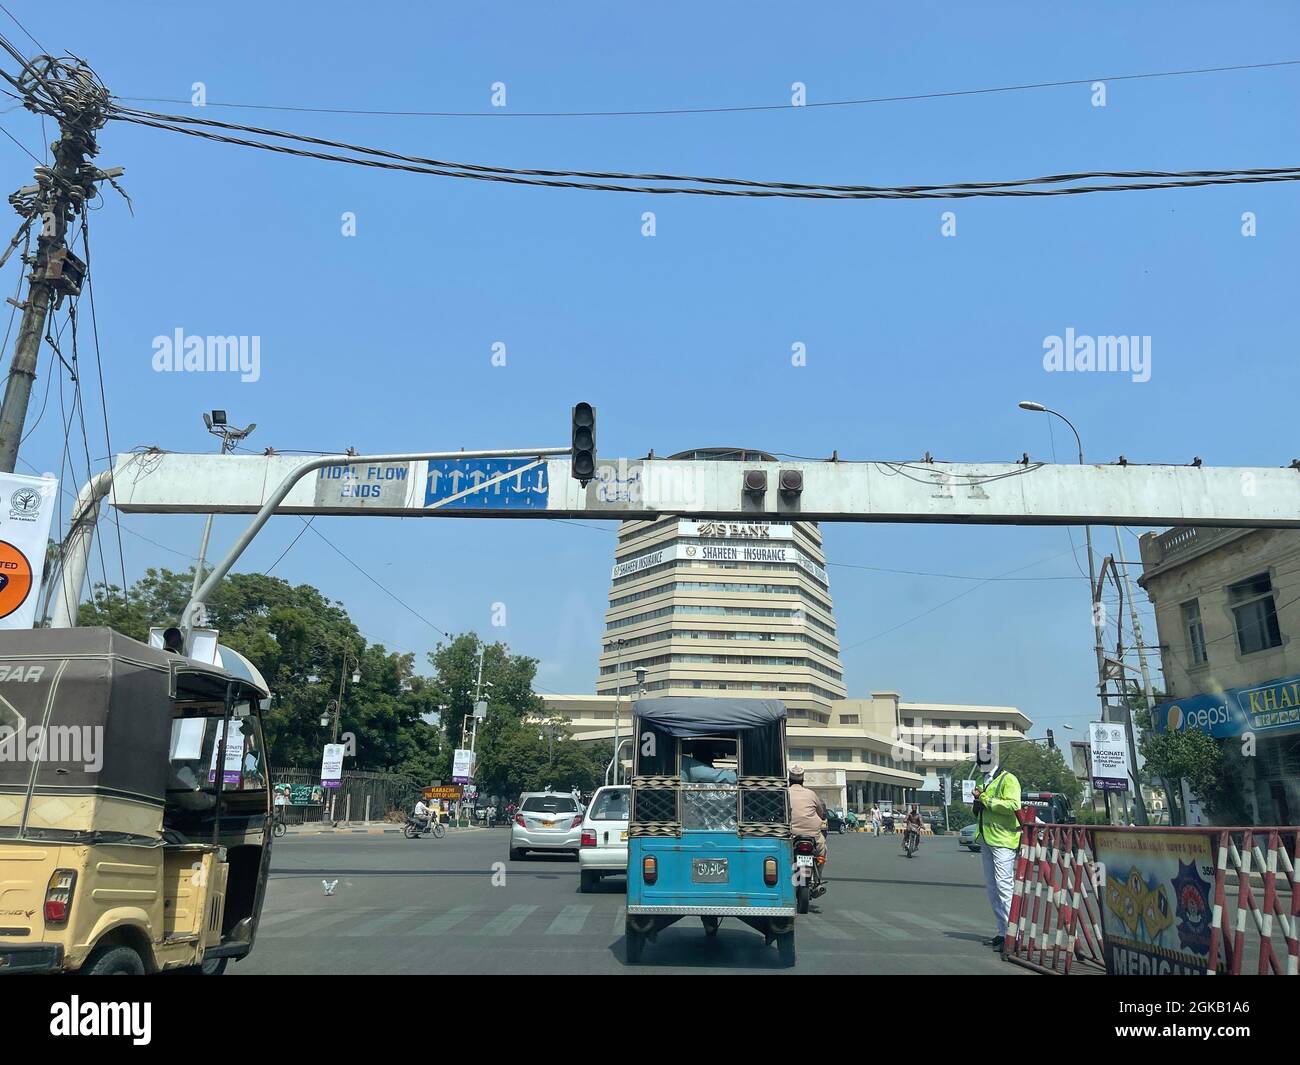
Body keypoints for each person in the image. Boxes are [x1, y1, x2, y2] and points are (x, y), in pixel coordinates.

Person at [971, 740, 1022, 951]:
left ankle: (1014, 935)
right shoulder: (981, 780)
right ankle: (1002, 932)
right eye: (980, 755)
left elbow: (1013, 805)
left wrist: (985, 799)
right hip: (986, 838)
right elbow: (978, 809)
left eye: (986, 755)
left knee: (1004, 887)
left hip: (1004, 840)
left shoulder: (1008, 779)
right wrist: (978, 800)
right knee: (993, 889)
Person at [788, 764, 828, 877]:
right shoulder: (811, 794)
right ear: (803, 780)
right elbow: (821, 813)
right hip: (813, 836)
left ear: (789, 779)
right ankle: (818, 875)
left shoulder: (785, 793)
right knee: (822, 851)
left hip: (791, 835)